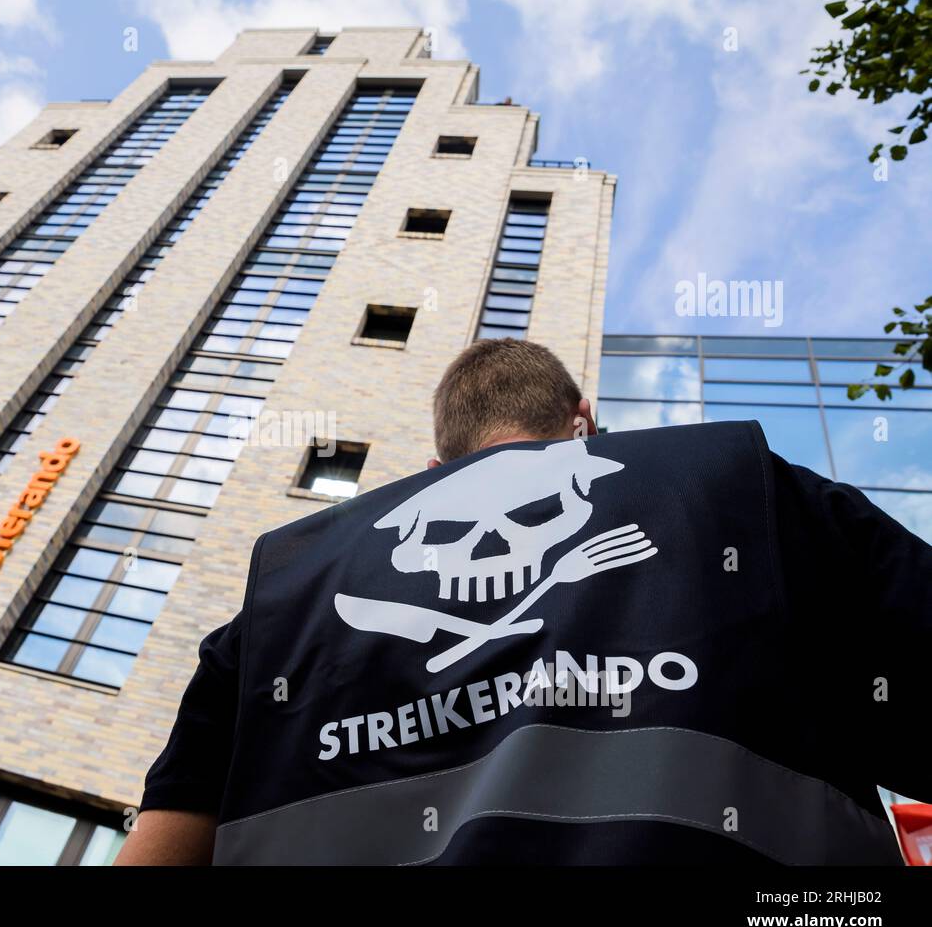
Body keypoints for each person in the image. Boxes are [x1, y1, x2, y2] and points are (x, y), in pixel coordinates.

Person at [116, 338, 932, 865]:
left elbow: (162, 852)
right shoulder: (747, 492)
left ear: (439, 466)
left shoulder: (280, 598)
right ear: (585, 424)